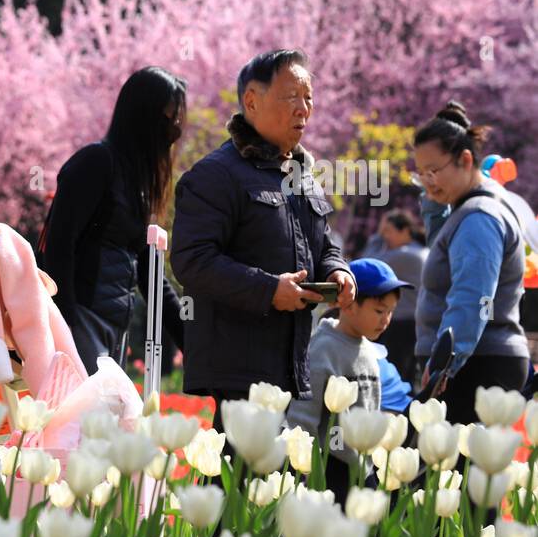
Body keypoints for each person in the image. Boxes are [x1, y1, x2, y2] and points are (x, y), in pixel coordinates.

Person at [171, 49, 354, 430]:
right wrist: (269, 289)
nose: (304, 109)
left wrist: (337, 271)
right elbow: (192, 261)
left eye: (308, 98)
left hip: (288, 358)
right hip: (238, 363)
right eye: (291, 98)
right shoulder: (215, 175)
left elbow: (325, 245)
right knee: (238, 480)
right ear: (251, 101)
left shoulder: (302, 175)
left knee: (266, 483)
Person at [38, 66, 187, 371]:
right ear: (144, 116)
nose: (175, 129)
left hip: (114, 324)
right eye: (169, 117)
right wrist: (66, 324)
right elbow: (58, 245)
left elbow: (149, 270)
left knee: (107, 418)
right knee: (90, 417)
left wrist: (191, 340)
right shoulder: (95, 163)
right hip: (82, 319)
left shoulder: (137, 184)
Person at [412, 101, 529, 423]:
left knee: (449, 473)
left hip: (477, 363)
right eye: (420, 173)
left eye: (434, 171)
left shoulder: (479, 217)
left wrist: (445, 365)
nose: (427, 181)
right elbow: (440, 242)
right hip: (473, 360)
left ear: (465, 159)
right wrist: (433, 198)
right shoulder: (465, 210)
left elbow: (474, 295)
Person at [286, 258, 409, 502]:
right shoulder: (324, 348)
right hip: (331, 468)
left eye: (391, 312)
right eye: (379, 311)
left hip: (363, 465)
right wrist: (306, 472)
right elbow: (304, 416)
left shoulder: (369, 350)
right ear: (349, 303)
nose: (385, 320)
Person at [372, 209, 427, 384]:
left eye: (388, 230)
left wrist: (377, 238)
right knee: (407, 376)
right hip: (414, 323)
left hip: (401, 324)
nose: (384, 235)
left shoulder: (405, 255)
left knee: (396, 376)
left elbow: (368, 262)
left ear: (404, 231)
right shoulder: (420, 251)